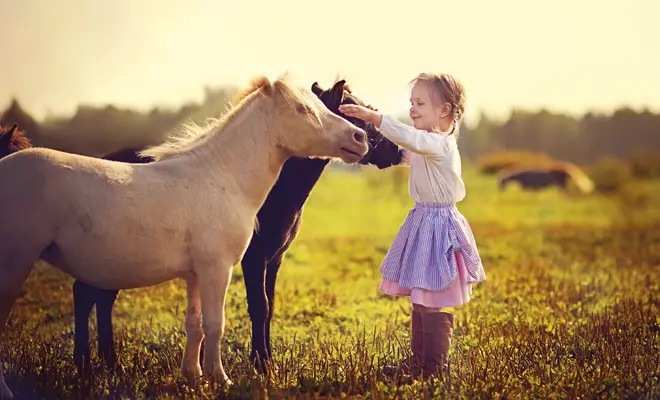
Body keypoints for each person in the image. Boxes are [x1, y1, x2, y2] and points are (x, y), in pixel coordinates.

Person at [339, 73, 486, 378]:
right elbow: (402, 151)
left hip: (438, 227)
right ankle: (419, 361)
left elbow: (411, 139)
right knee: (421, 298)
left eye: (420, 103)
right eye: (411, 103)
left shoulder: (439, 145)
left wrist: (376, 117)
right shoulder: (427, 146)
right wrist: (369, 134)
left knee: (430, 298)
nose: (413, 109)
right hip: (423, 222)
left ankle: (433, 368)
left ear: (445, 110)